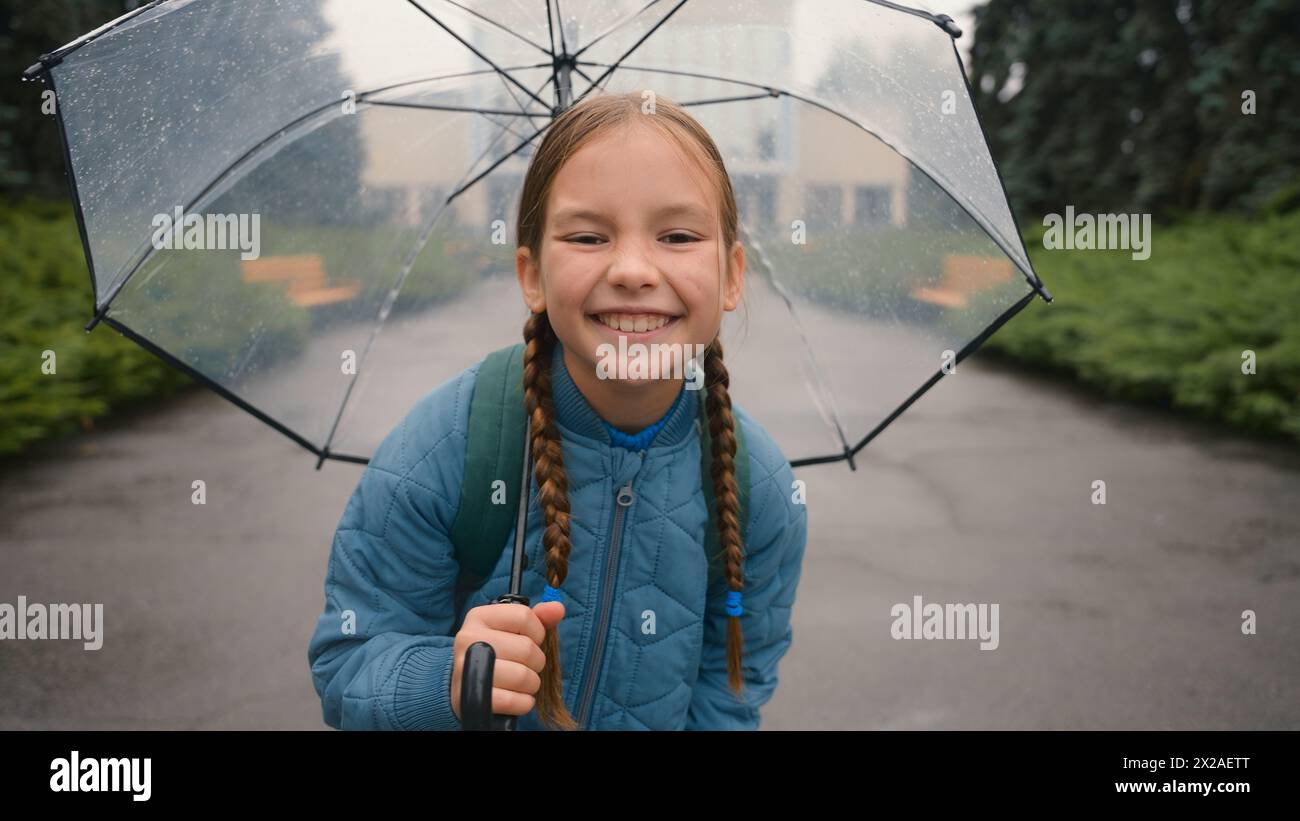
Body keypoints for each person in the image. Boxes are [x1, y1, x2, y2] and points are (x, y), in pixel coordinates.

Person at [307, 90, 808, 730]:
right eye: (588, 236)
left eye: (678, 235)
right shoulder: (451, 444)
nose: (632, 269)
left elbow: (732, 692)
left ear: (733, 275)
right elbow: (348, 664)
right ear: (532, 275)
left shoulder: (757, 488)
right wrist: (450, 683)